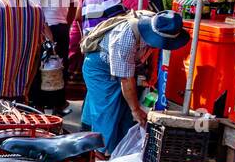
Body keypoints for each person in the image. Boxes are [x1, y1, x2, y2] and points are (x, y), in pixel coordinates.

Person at [81, 11, 189, 153]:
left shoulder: (156, 23)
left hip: (120, 66)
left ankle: (115, 152)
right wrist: (136, 110)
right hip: (99, 67)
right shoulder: (125, 39)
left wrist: (152, 70)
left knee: (121, 111)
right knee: (106, 112)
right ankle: (99, 155)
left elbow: (155, 48)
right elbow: (126, 80)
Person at [30, 0, 76, 114]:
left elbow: (36, 6)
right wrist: (67, 23)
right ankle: (58, 106)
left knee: (40, 69)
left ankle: (40, 107)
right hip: (63, 27)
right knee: (59, 67)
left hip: (45, 28)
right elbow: (73, 6)